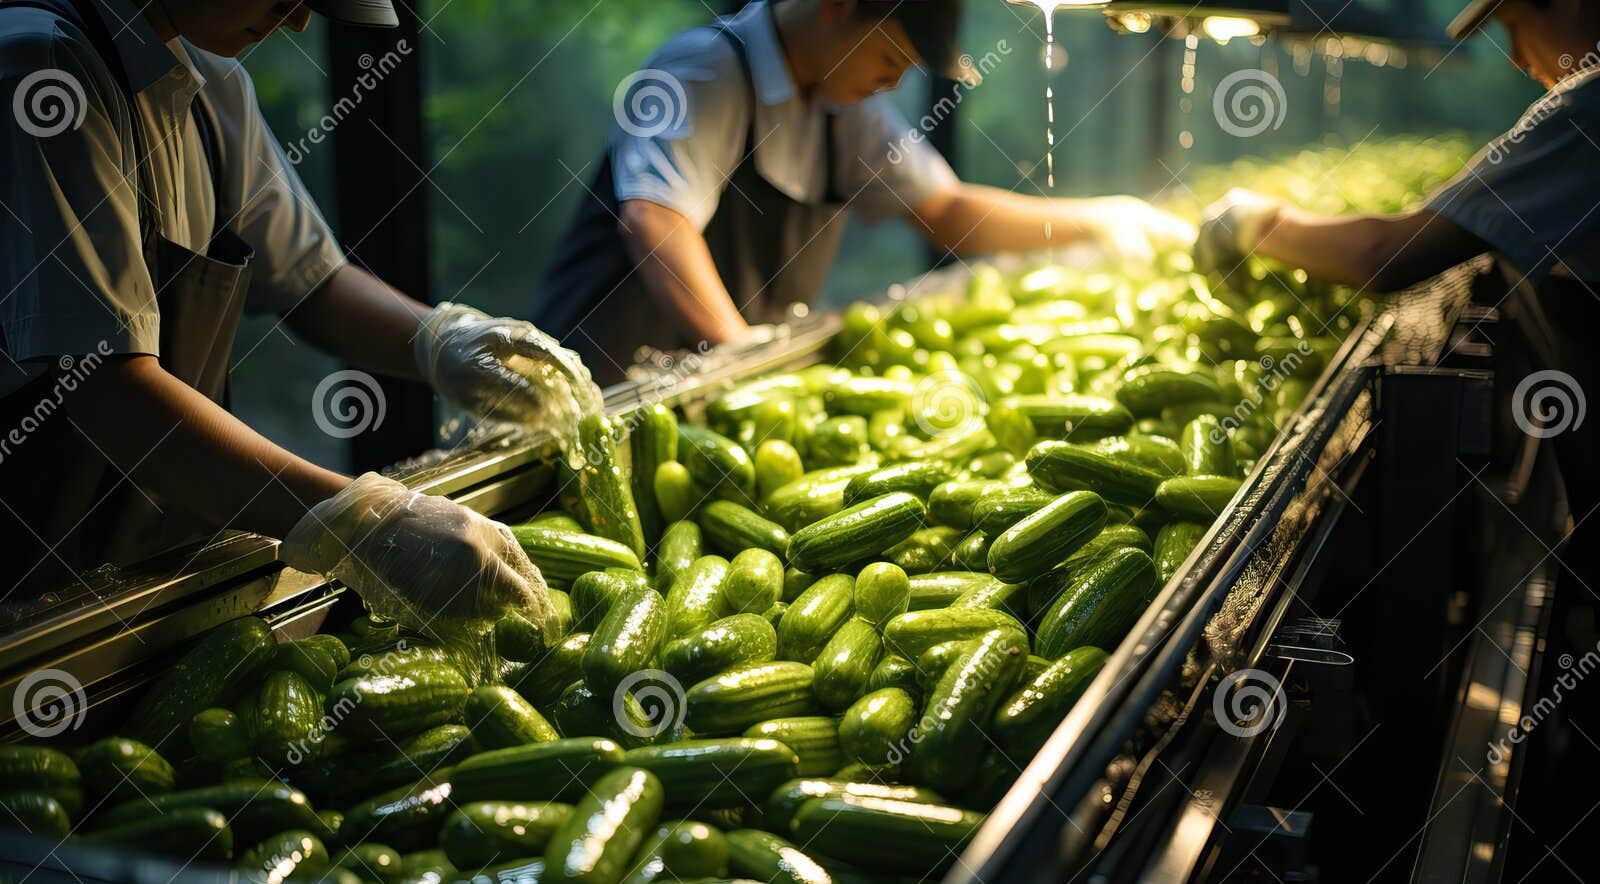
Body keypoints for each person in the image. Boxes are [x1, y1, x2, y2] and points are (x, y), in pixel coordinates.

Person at [0, 0, 570, 632]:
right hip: (31, 594)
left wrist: (444, 341)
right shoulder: (42, 68)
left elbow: (312, 285)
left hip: (159, 571)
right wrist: (365, 522)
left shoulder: (210, 83)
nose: (298, 22)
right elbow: (109, 389)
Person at [531, 0, 1196, 384]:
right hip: (597, 391)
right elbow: (654, 221)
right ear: (837, 7)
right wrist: (747, 359)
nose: (893, 81)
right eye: (890, 59)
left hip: (704, 397)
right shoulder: (701, 71)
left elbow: (947, 211)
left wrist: (1100, 220)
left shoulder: (846, 112)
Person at [1194, 0, 1600, 575]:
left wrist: (1254, 224)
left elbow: (1384, 256)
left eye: (1514, 26)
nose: (1514, 59)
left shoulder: (1589, 102)